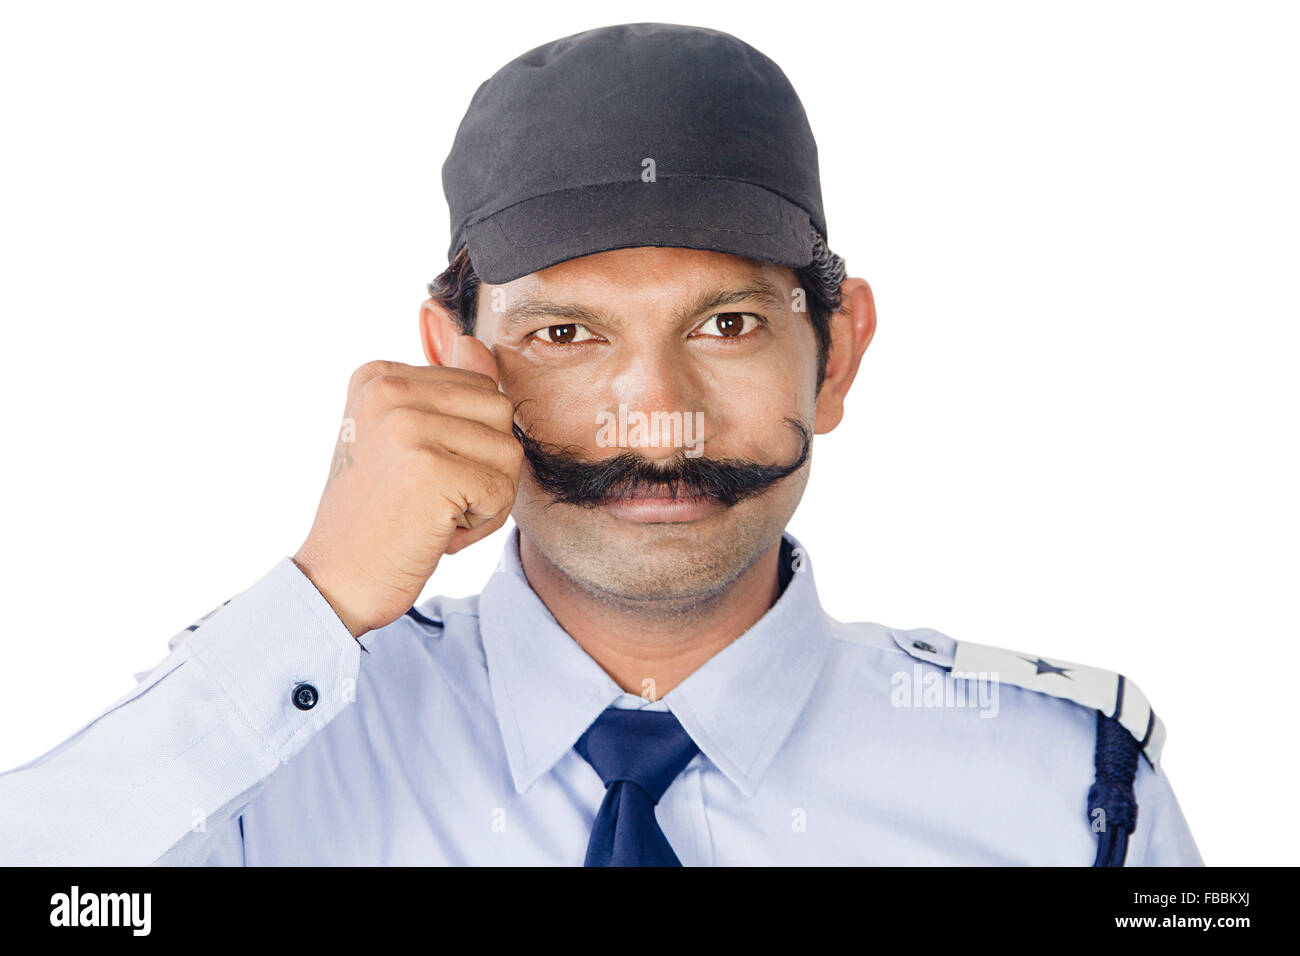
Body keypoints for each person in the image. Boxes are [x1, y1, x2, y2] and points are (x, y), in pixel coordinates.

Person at [0, 21, 1202, 866]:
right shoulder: (265, 761)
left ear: (836, 354)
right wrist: (314, 604)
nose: (654, 411)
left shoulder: (1073, 793)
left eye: (726, 323)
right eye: (567, 332)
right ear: (454, 359)